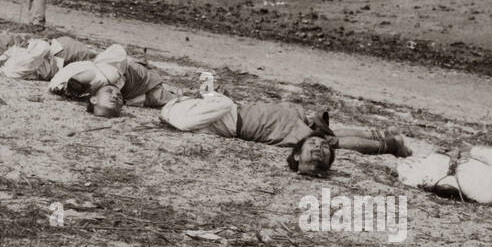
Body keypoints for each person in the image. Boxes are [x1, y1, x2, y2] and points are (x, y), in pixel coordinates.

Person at [159, 93, 409, 177]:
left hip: (256, 120)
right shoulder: (183, 115)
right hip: (255, 118)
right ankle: (386, 140)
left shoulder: (182, 116)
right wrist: (208, 96)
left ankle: (388, 142)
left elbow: (220, 106)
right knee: (325, 139)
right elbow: (223, 103)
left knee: (325, 140)